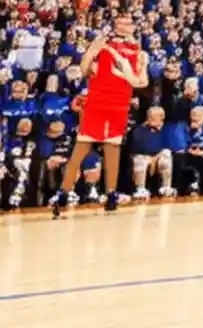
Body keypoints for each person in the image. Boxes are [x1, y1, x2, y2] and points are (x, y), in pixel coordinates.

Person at [52, 14, 148, 218]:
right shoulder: (104, 44)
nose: (126, 26)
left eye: (129, 23)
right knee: (85, 148)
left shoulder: (136, 51)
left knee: (108, 149)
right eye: (123, 23)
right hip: (101, 100)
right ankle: (65, 192)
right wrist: (92, 54)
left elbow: (140, 81)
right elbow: (86, 69)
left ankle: (107, 194)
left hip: (117, 102)